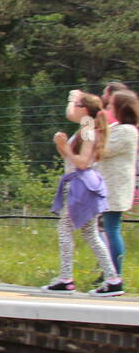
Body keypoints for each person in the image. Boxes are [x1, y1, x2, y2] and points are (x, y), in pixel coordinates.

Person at [43, 90, 121, 295]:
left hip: (80, 185)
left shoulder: (87, 128)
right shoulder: (87, 128)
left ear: (84, 110)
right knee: (90, 234)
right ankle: (113, 279)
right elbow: (72, 159)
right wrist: (62, 146)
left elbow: (83, 162)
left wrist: (63, 146)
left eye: (76, 105)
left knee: (65, 230)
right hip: (85, 184)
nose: (72, 110)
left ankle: (66, 279)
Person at [95, 88, 138, 284]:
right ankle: (108, 271)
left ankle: (114, 275)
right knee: (105, 229)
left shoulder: (127, 131)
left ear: (120, 108)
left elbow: (102, 150)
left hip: (115, 188)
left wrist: (94, 128)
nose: (107, 109)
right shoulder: (119, 129)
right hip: (108, 187)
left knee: (111, 229)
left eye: (111, 106)